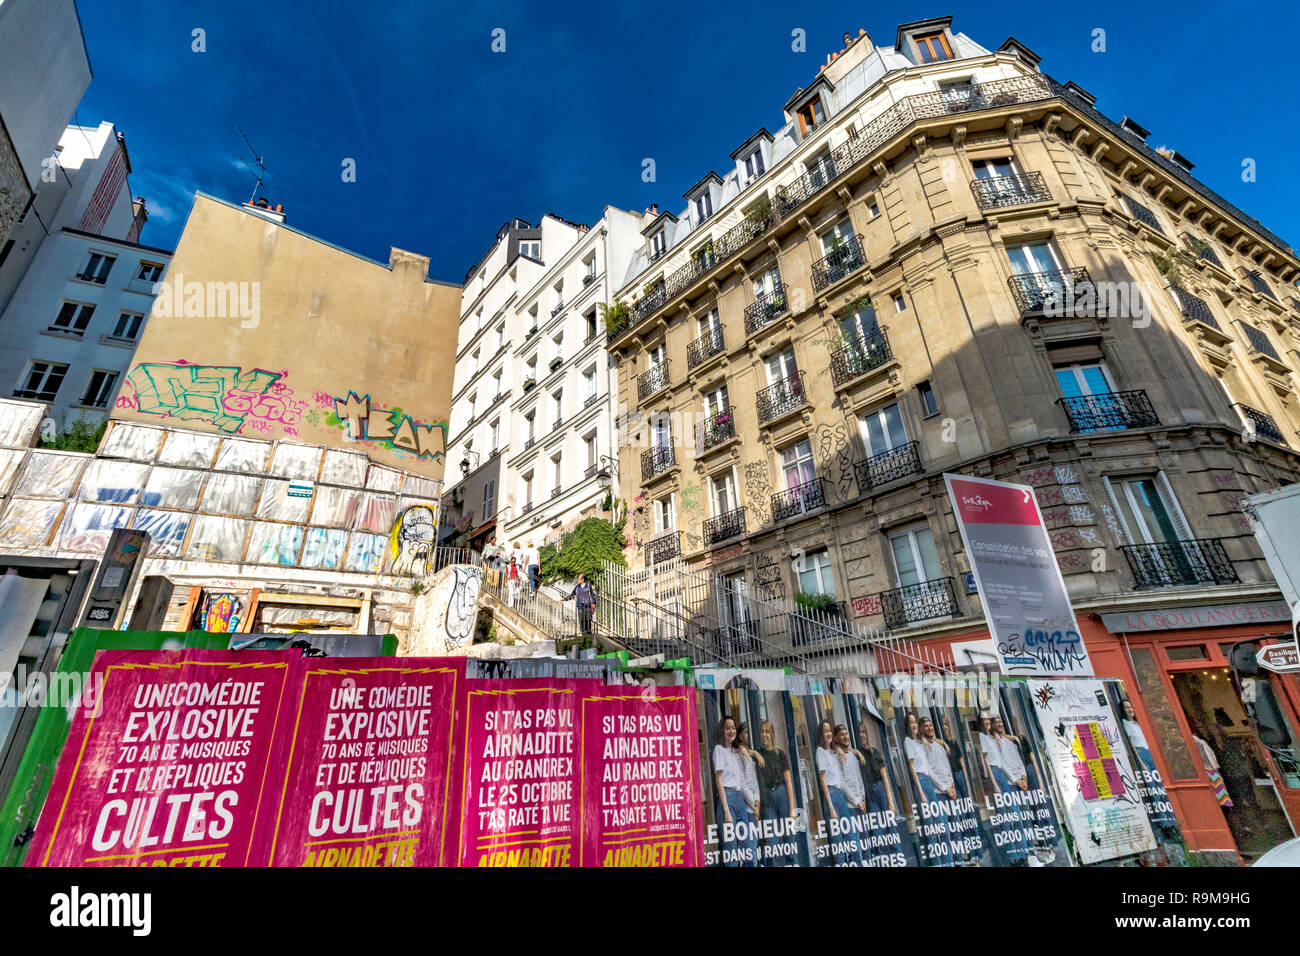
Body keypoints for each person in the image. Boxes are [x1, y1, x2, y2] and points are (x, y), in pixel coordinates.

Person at [713, 715, 757, 866]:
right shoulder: (719, 750)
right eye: (727, 728)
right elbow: (719, 781)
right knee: (731, 849)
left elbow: (744, 779)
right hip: (728, 798)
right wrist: (726, 810)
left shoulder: (735, 752)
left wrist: (753, 803)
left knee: (747, 848)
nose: (731, 731)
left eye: (733, 728)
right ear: (722, 730)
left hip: (740, 801)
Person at [757, 720, 797, 866]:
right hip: (768, 798)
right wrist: (756, 753)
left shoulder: (780, 753)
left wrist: (792, 809)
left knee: (789, 835)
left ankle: (792, 863)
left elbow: (789, 781)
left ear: (772, 734)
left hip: (782, 795)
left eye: (767, 731)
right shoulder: (759, 753)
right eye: (762, 732)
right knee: (771, 839)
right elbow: (747, 752)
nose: (764, 735)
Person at [734, 722, 764, 821]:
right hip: (746, 807)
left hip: (753, 807)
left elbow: (754, 783)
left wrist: (757, 803)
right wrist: (754, 805)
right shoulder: (739, 754)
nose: (749, 735)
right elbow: (743, 785)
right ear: (740, 735)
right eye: (746, 732)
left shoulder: (748, 754)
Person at [1121, 699, 1158, 777]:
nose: (1130, 710)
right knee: (1150, 782)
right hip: (1140, 752)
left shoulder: (1138, 723)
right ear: (1123, 710)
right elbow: (1131, 744)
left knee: (1158, 780)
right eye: (1127, 708)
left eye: (1131, 707)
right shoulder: (1126, 723)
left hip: (1149, 752)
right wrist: (1141, 763)